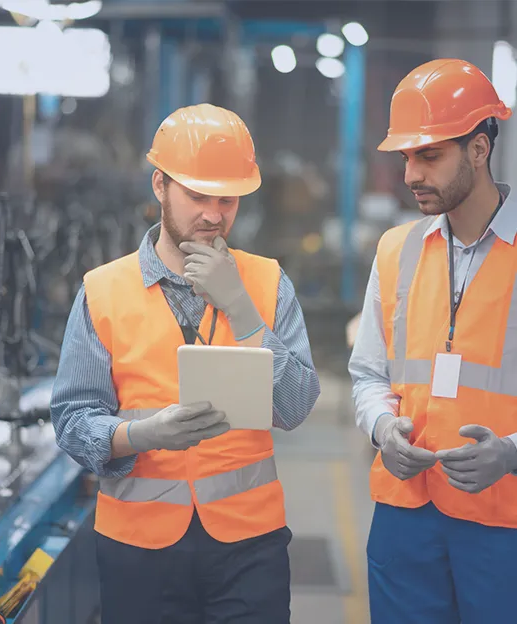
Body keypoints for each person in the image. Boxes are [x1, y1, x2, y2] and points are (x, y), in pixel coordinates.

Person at [50, 102, 320, 624]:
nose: (214, 214)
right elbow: (73, 420)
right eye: (198, 195)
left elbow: (294, 407)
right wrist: (141, 435)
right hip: (138, 548)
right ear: (160, 187)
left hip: (250, 545)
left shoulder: (266, 283)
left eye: (228, 199)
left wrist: (242, 311)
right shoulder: (103, 291)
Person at [349, 58, 517, 624]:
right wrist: (381, 428)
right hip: (404, 517)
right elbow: (369, 375)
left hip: (504, 522)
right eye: (407, 158)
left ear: (478, 148)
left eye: (429, 155)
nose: (411, 175)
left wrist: (512, 454)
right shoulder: (396, 251)